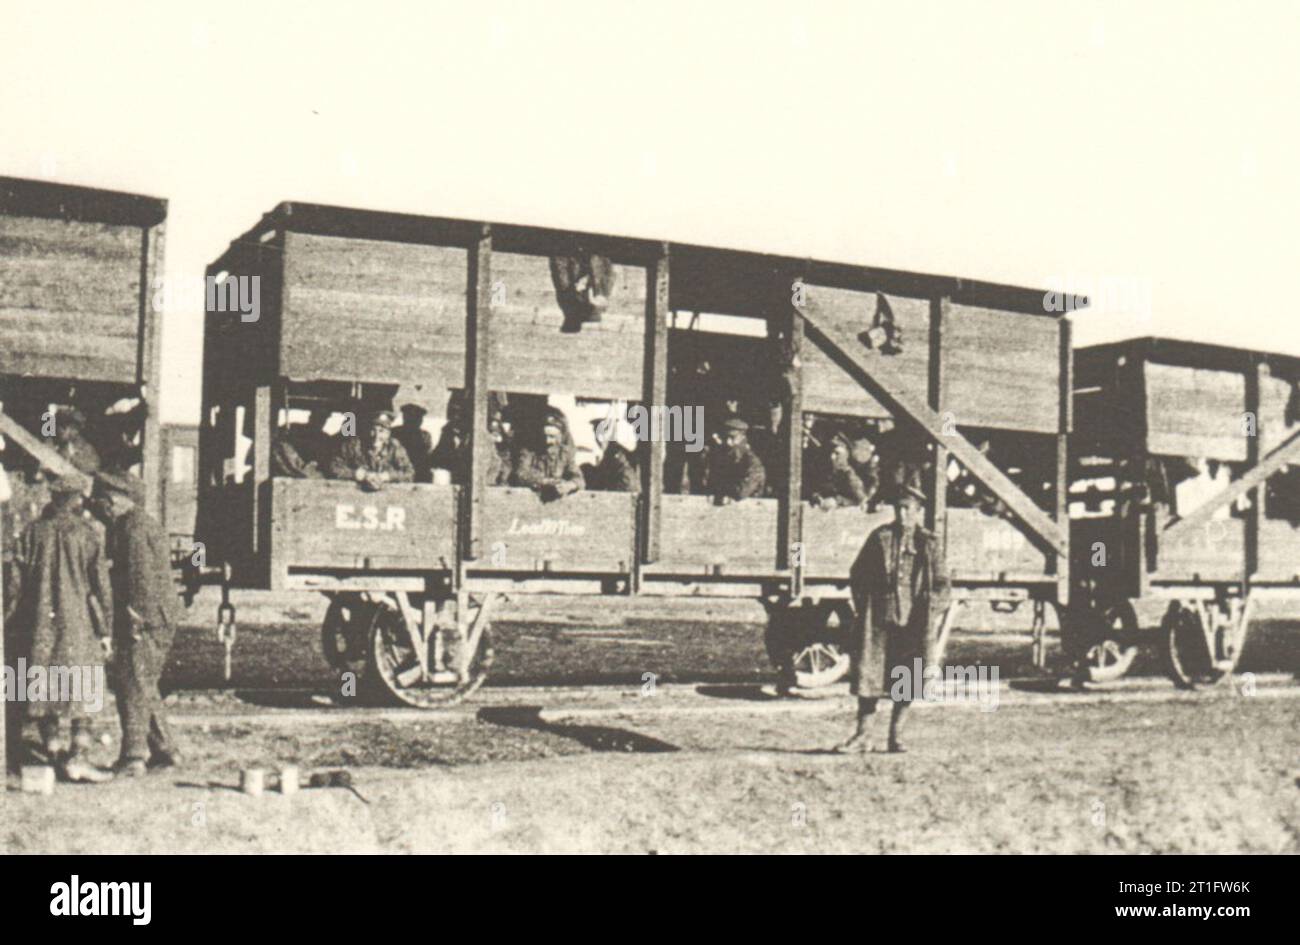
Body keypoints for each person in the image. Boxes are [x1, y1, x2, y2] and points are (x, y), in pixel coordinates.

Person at [5, 475, 114, 782]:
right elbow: (100, 587)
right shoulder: (88, 534)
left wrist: (11, 616)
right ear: (77, 499)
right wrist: (105, 629)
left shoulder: (31, 533)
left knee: (46, 690)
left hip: (40, 626)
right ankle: (78, 758)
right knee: (84, 689)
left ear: (53, 499)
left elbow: (14, 585)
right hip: (77, 625)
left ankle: (52, 752)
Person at [838, 473, 948, 754]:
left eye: (908, 508)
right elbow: (857, 574)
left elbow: (942, 585)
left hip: (913, 620)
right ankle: (863, 735)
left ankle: (896, 737)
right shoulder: (880, 538)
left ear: (918, 511)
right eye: (898, 507)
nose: (902, 513)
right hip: (879, 618)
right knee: (869, 676)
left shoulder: (929, 543)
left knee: (907, 676)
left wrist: (929, 609)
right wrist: (866, 607)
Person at [92, 471, 182, 776]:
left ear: (114, 500)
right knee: (143, 684)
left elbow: (141, 581)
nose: (99, 509)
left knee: (133, 684)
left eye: (102, 502)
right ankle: (166, 751)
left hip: (146, 620)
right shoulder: (128, 525)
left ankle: (133, 758)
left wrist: (135, 621)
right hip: (152, 617)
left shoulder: (133, 529)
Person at [327, 410, 414, 490]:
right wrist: (356, 474)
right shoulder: (353, 445)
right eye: (373, 430)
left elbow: (409, 473)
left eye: (381, 431)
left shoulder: (394, 447)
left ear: (388, 433)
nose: (376, 436)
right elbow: (334, 467)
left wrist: (387, 476)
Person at [511, 413, 584, 500]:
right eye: (544, 436)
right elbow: (521, 474)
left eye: (552, 437)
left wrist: (569, 485)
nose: (547, 441)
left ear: (560, 437)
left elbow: (579, 479)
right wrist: (544, 482)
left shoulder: (564, 454)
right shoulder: (529, 452)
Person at [710, 417, 766, 504]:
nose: (728, 442)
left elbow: (740, 493)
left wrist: (721, 488)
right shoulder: (725, 459)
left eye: (732, 437)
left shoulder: (752, 463)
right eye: (725, 437)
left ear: (743, 438)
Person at [811, 433, 872, 510]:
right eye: (831, 452)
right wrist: (816, 497)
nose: (832, 457)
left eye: (837, 453)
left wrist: (837, 501)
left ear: (846, 455)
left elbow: (861, 502)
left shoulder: (849, 476)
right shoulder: (824, 471)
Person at [394, 405, 434, 482]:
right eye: (410, 418)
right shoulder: (396, 433)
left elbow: (428, 456)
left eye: (417, 418)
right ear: (404, 418)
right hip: (401, 471)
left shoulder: (425, 436)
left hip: (420, 473)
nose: (414, 421)